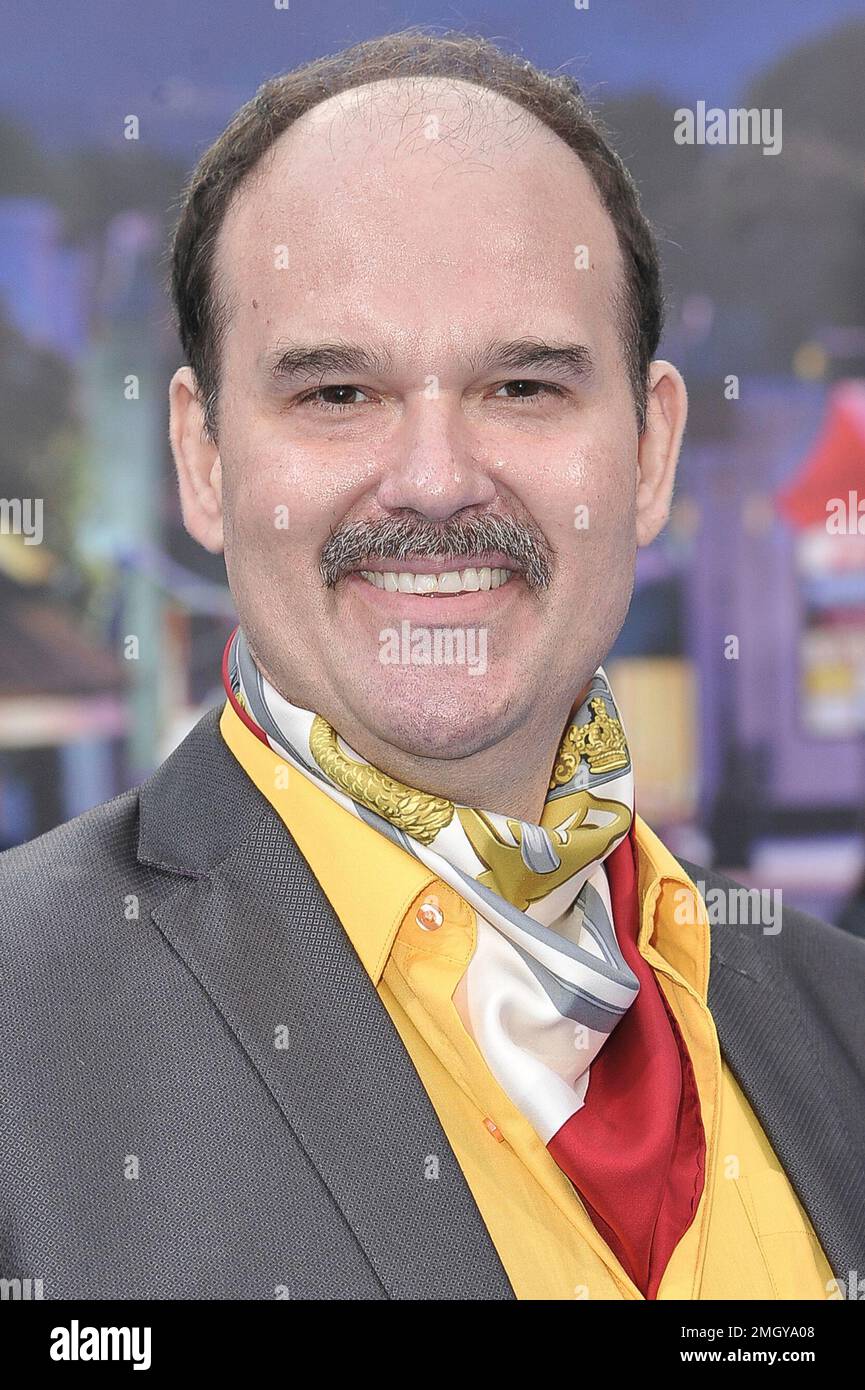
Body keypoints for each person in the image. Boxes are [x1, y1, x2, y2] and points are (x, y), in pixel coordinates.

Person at [1, 29, 862, 1302]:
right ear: (201, 458)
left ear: (651, 450)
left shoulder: (837, 1020)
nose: (437, 480)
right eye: (337, 393)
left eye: (521, 384)